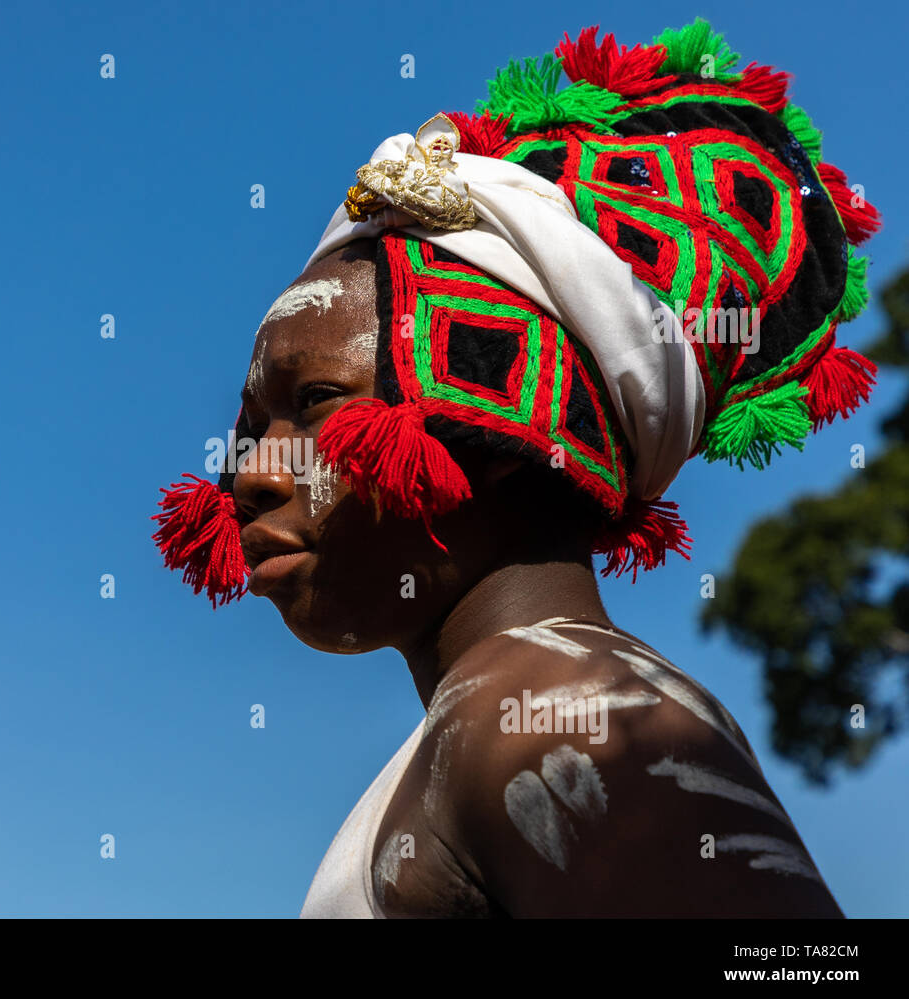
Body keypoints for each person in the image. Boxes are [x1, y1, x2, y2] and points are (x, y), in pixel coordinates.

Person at [152, 19, 880, 917]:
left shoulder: (550, 704)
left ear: (497, 427)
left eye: (313, 405)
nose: (251, 474)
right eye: (248, 427)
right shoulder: (495, 716)